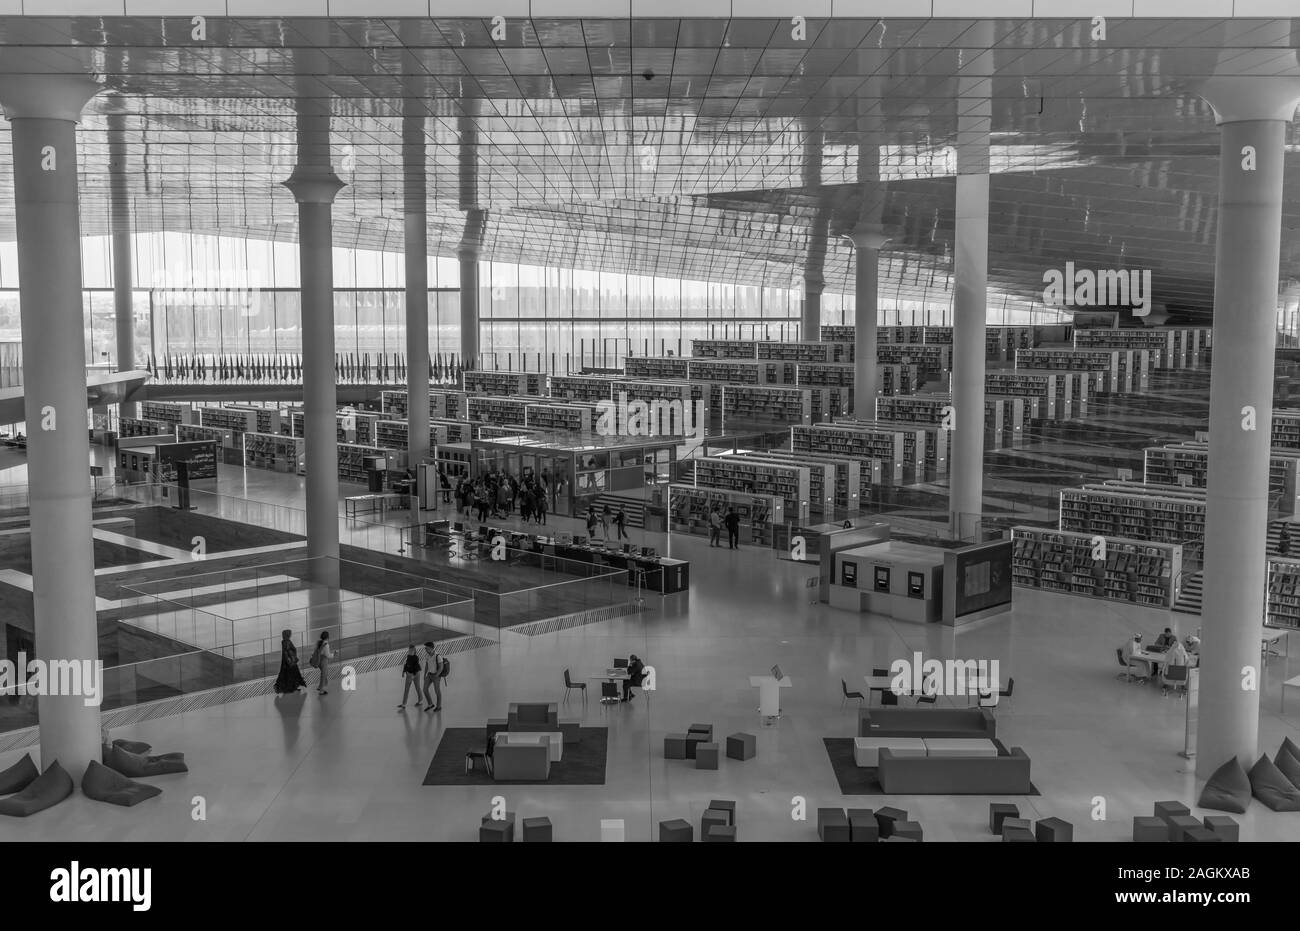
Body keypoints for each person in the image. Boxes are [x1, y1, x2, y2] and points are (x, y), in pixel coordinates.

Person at [273, 629, 307, 695]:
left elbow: (285, 652)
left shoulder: (283, 641)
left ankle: (288, 687)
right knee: (294, 673)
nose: (291, 635)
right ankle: (292, 687)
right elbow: (289, 650)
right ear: (288, 635)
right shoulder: (287, 642)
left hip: (286, 662)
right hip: (291, 661)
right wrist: (291, 658)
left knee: (284, 674)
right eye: (290, 634)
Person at [397, 645, 423, 710]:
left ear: (414, 651)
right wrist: (403, 671)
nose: (409, 651)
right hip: (409, 674)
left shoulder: (415, 658)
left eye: (411, 650)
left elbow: (416, 667)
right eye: (409, 650)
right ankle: (403, 704)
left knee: (417, 687)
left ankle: (420, 700)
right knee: (406, 689)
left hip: (415, 674)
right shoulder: (408, 656)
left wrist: (413, 675)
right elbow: (406, 664)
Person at [421, 641, 443, 712]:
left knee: (437, 691)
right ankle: (430, 704)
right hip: (429, 675)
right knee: (425, 689)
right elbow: (427, 665)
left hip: (436, 676)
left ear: (431, 648)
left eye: (426, 648)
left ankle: (438, 706)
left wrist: (436, 675)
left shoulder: (438, 656)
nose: (425, 649)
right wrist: (424, 675)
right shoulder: (427, 655)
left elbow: (441, 667)